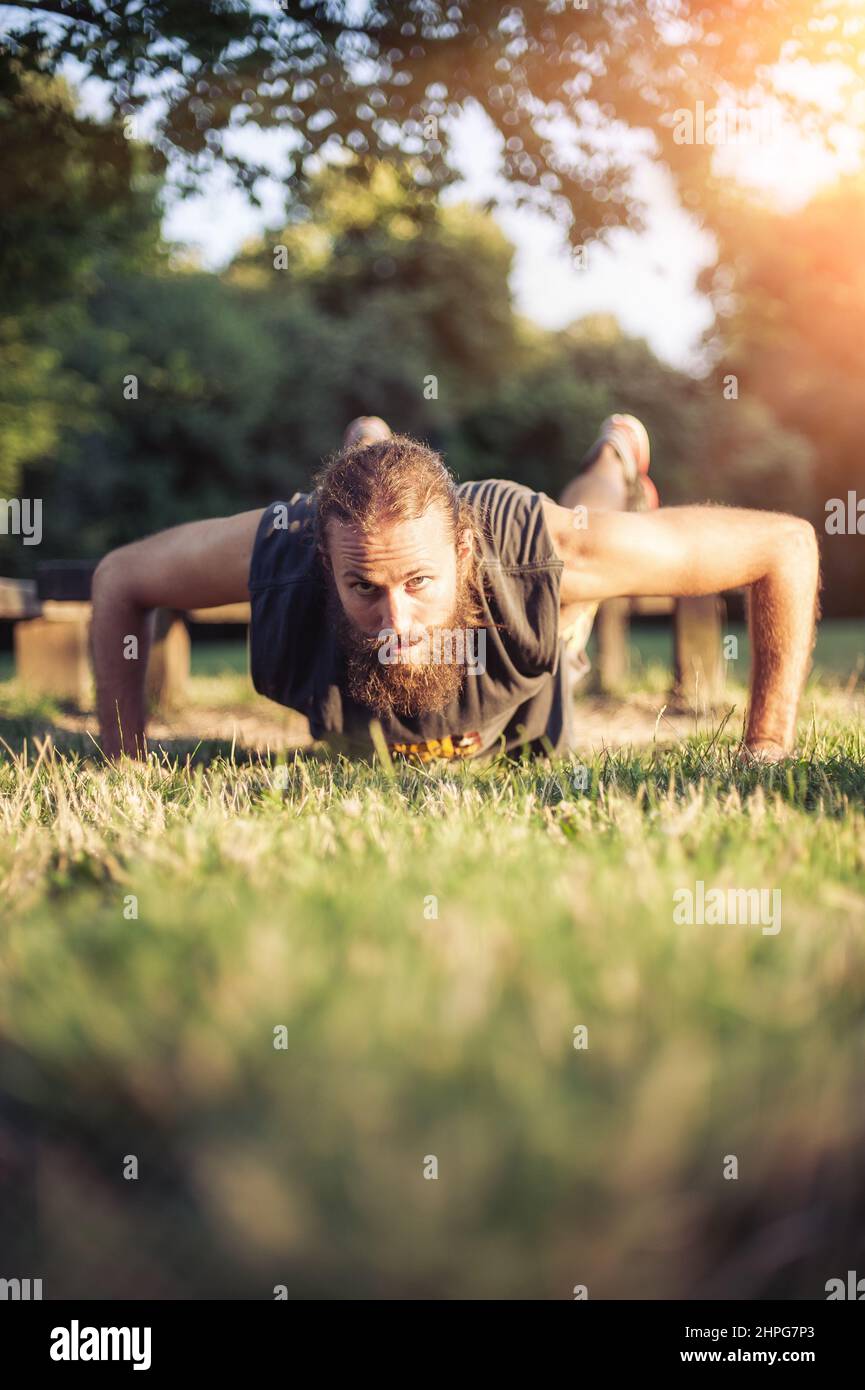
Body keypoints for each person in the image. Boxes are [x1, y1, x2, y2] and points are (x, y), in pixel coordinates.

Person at [91, 414, 819, 763]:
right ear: (323, 563)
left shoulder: (532, 549)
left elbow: (783, 546)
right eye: (363, 587)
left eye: (416, 583)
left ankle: (614, 450)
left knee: (586, 528)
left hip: (533, 624)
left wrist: (765, 746)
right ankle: (367, 451)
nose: (394, 619)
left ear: (463, 552)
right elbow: (120, 578)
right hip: (370, 530)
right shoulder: (286, 549)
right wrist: (124, 758)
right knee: (370, 496)